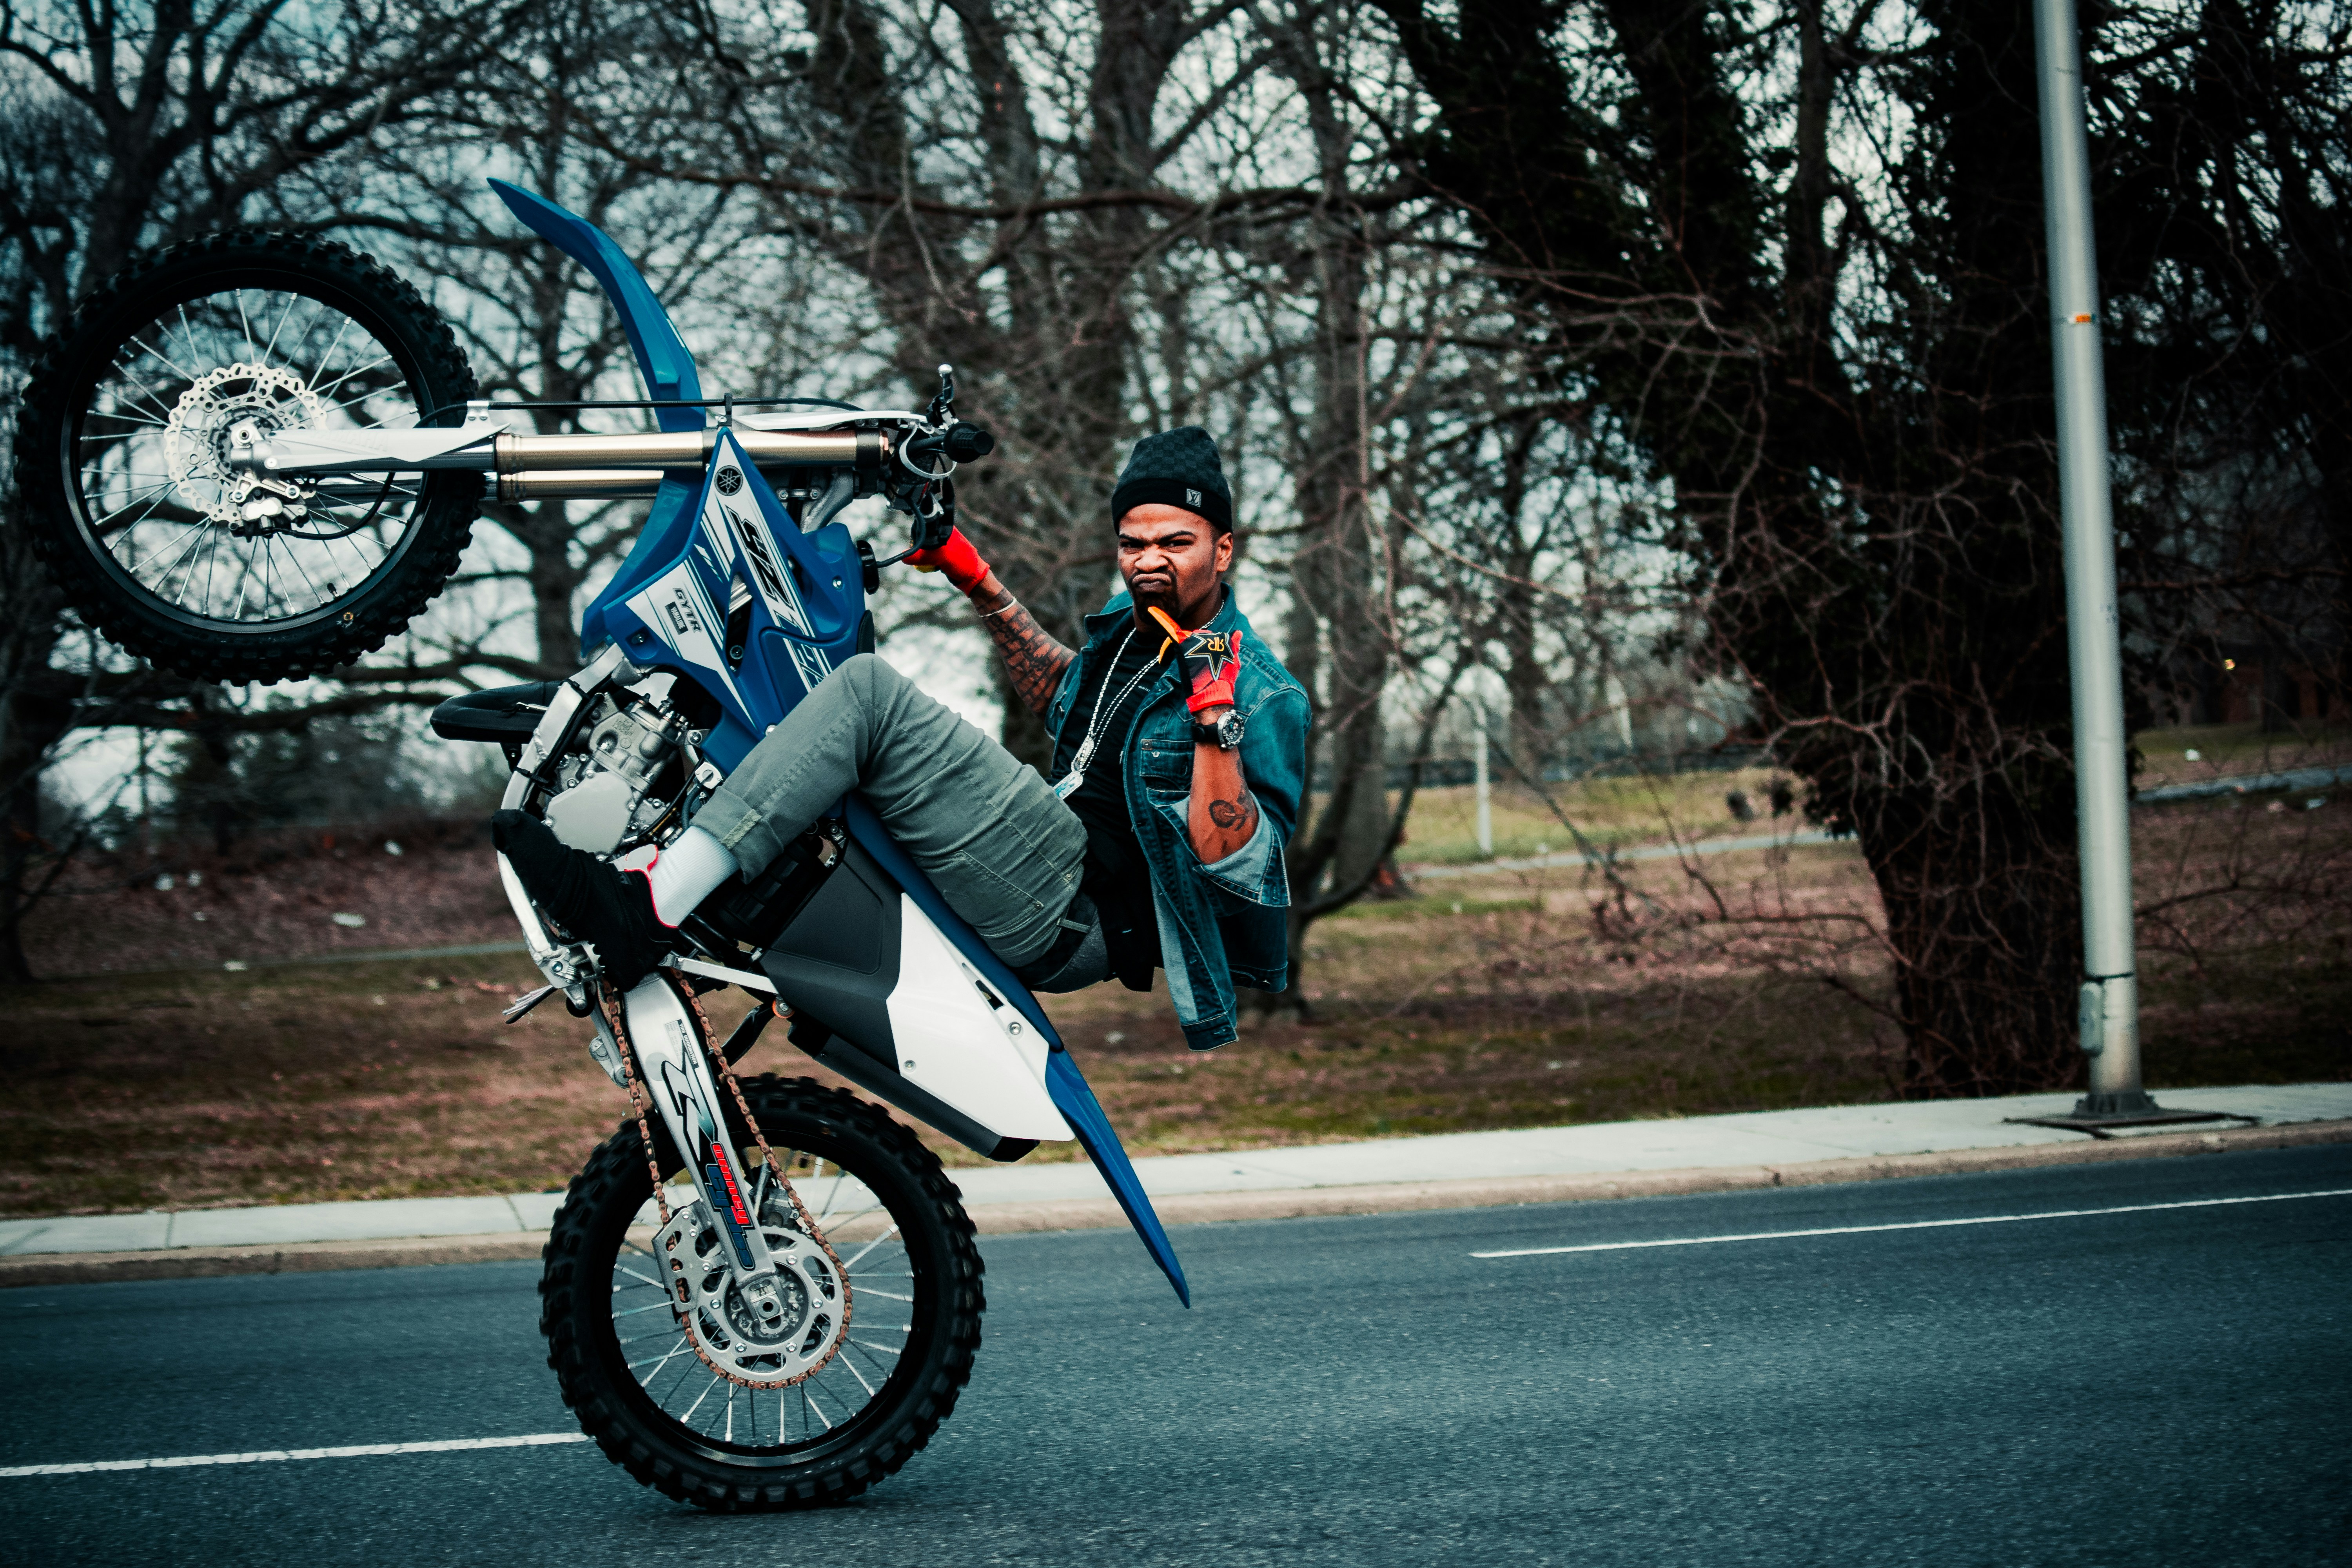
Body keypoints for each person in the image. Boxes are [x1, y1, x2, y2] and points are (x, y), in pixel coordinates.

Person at [495, 426, 1310, 1052]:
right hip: (1044, 864)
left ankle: (648, 907)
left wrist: (1216, 720)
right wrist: (970, 573)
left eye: (1175, 543)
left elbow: (1237, 870)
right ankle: (695, 908)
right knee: (815, 731)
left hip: (1076, 904)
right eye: (1134, 543)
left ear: (1222, 550)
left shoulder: (1260, 690)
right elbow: (1067, 700)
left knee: (867, 695)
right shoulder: (1135, 637)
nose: (1149, 561)